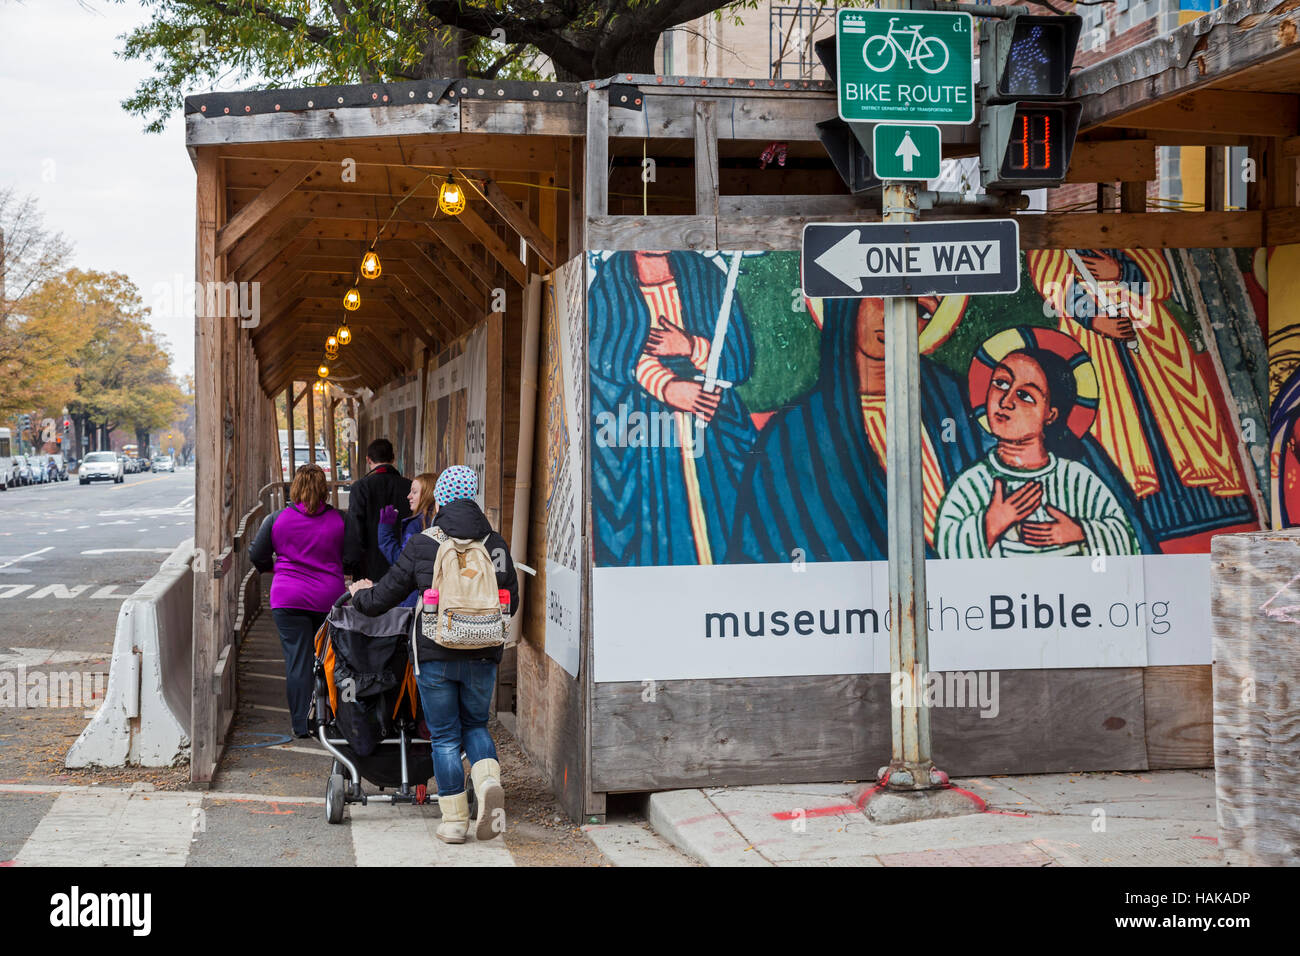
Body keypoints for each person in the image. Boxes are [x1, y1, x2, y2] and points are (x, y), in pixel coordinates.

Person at [728, 295, 982, 563]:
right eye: (881, 300)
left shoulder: (953, 404)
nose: (894, 318)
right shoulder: (793, 435)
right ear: (849, 304)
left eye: (920, 310)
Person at [349, 465, 518, 845]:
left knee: (444, 736)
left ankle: (455, 823)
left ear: (440, 497)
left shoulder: (424, 543)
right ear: (472, 496)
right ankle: (488, 779)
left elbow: (383, 598)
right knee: (475, 725)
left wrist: (360, 592)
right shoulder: (495, 544)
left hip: (435, 654)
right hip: (483, 652)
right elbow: (513, 601)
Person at [587, 250, 756, 566]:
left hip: (711, 421)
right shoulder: (613, 281)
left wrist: (691, 346)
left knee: (728, 519)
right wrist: (666, 386)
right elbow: (606, 353)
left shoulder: (703, 273)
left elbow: (738, 354)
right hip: (645, 430)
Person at [935, 330, 1140, 558]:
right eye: (1001, 383)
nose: (1005, 401)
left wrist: (1081, 532)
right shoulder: (974, 484)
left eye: (1025, 395)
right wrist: (991, 525)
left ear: (1050, 415)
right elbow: (946, 554)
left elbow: (1125, 542)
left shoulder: (1077, 480)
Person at [248, 464, 348, 737]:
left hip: (288, 597)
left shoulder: (276, 519)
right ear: (324, 490)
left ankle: (301, 723)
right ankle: (333, 718)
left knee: (297, 661)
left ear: (295, 489)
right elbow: (353, 557)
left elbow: (256, 554)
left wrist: (275, 569)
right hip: (330, 600)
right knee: (332, 659)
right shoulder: (340, 519)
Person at [344, 438, 412, 581]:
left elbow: (355, 528)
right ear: (393, 458)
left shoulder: (361, 487)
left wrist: (349, 564)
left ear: (368, 460)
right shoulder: (410, 487)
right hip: (403, 563)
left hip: (368, 566)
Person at [375, 471, 438, 607]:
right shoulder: (441, 521)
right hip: (436, 597)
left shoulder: (417, 525)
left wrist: (385, 532)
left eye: (414, 492)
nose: (409, 496)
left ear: (428, 494)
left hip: (414, 599)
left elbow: (402, 563)